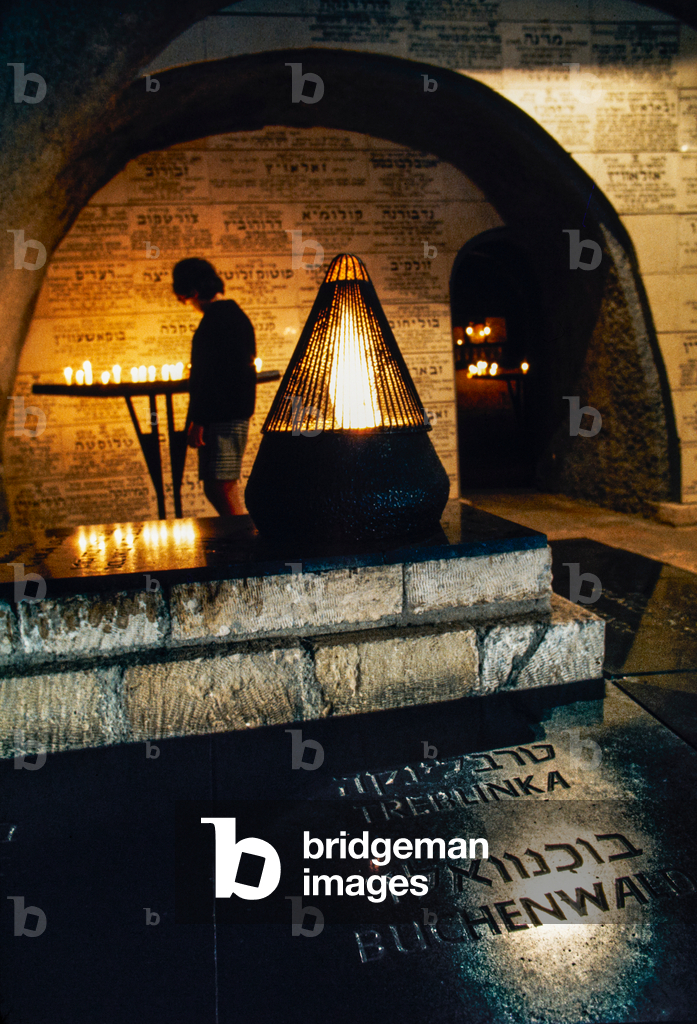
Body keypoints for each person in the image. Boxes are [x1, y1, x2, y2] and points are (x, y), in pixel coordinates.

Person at [172, 258, 256, 516]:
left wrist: (199, 420)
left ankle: (244, 544)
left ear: (193, 292)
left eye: (185, 299)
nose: (190, 305)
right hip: (233, 413)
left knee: (220, 485)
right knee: (223, 485)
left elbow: (208, 376)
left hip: (221, 417)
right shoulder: (236, 316)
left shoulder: (215, 321)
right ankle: (243, 541)